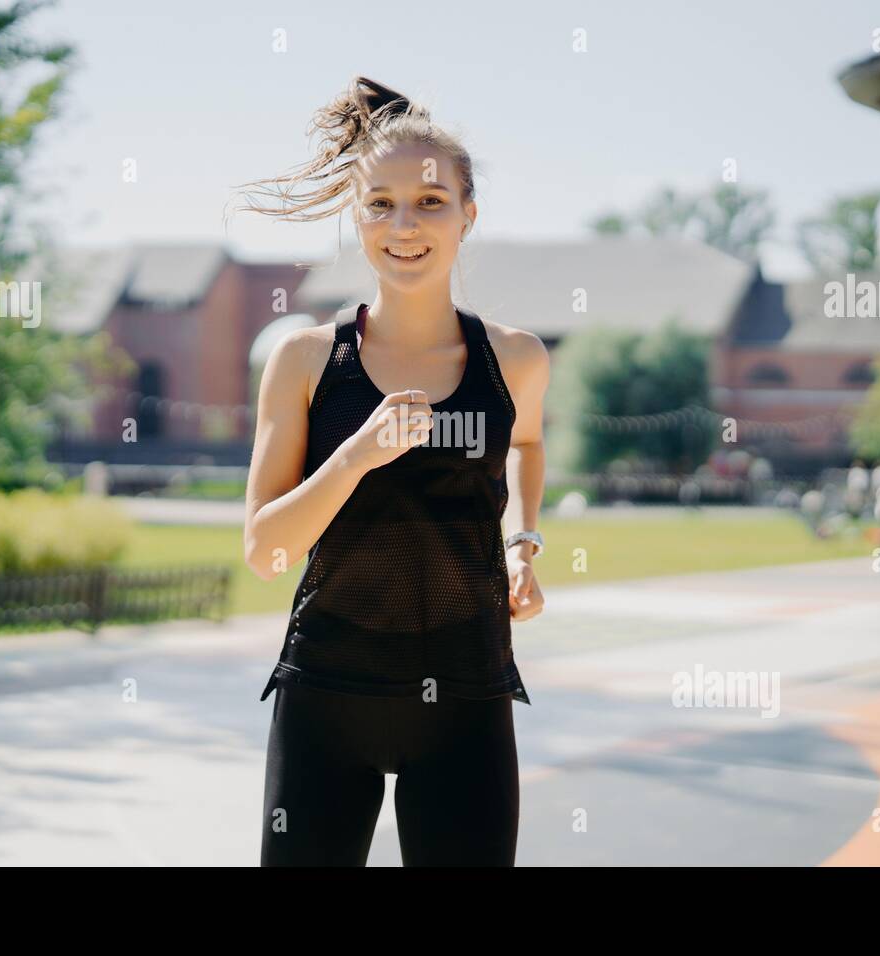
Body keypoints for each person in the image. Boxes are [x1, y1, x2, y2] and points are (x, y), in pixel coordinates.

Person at [232, 76, 549, 866]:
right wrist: (356, 455)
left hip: (468, 698)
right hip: (327, 698)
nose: (404, 225)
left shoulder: (515, 358)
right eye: (381, 204)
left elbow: (525, 444)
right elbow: (266, 552)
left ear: (468, 214)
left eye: (430, 202)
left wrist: (524, 543)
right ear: (357, 215)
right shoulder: (307, 361)